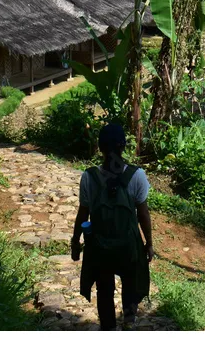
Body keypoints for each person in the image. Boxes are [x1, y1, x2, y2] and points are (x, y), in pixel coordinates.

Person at [71, 124, 154, 331]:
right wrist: (149, 244)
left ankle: (108, 327)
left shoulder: (89, 177)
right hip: (128, 245)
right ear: (123, 147)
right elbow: (143, 214)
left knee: (104, 288)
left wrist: (75, 241)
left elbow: (83, 213)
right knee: (130, 281)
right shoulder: (137, 176)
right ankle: (128, 318)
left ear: (99, 147)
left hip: (100, 246)